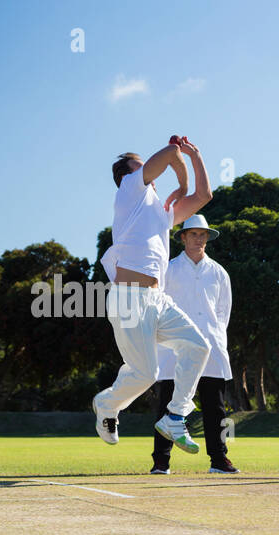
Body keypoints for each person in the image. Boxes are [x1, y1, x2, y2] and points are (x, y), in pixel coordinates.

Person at [93, 136, 213, 455]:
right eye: (140, 166)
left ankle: (175, 416)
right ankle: (106, 404)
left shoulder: (160, 213)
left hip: (158, 299)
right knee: (146, 374)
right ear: (127, 176)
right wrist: (180, 162)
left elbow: (204, 195)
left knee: (198, 345)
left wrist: (196, 155)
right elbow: (171, 154)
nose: (147, 170)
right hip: (129, 298)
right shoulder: (130, 192)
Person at [151, 214, 237, 474]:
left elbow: (224, 311)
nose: (198, 238)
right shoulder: (168, 269)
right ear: (184, 237)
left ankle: (219, 460)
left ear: (207, 238)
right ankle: (160, 462)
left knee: (216, 408)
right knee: (168, 404)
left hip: (211, 347)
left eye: (203, 234)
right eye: (193, 234)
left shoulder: (219, 272)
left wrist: (215, 336)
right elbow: (157, 306)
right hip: (175, 348)